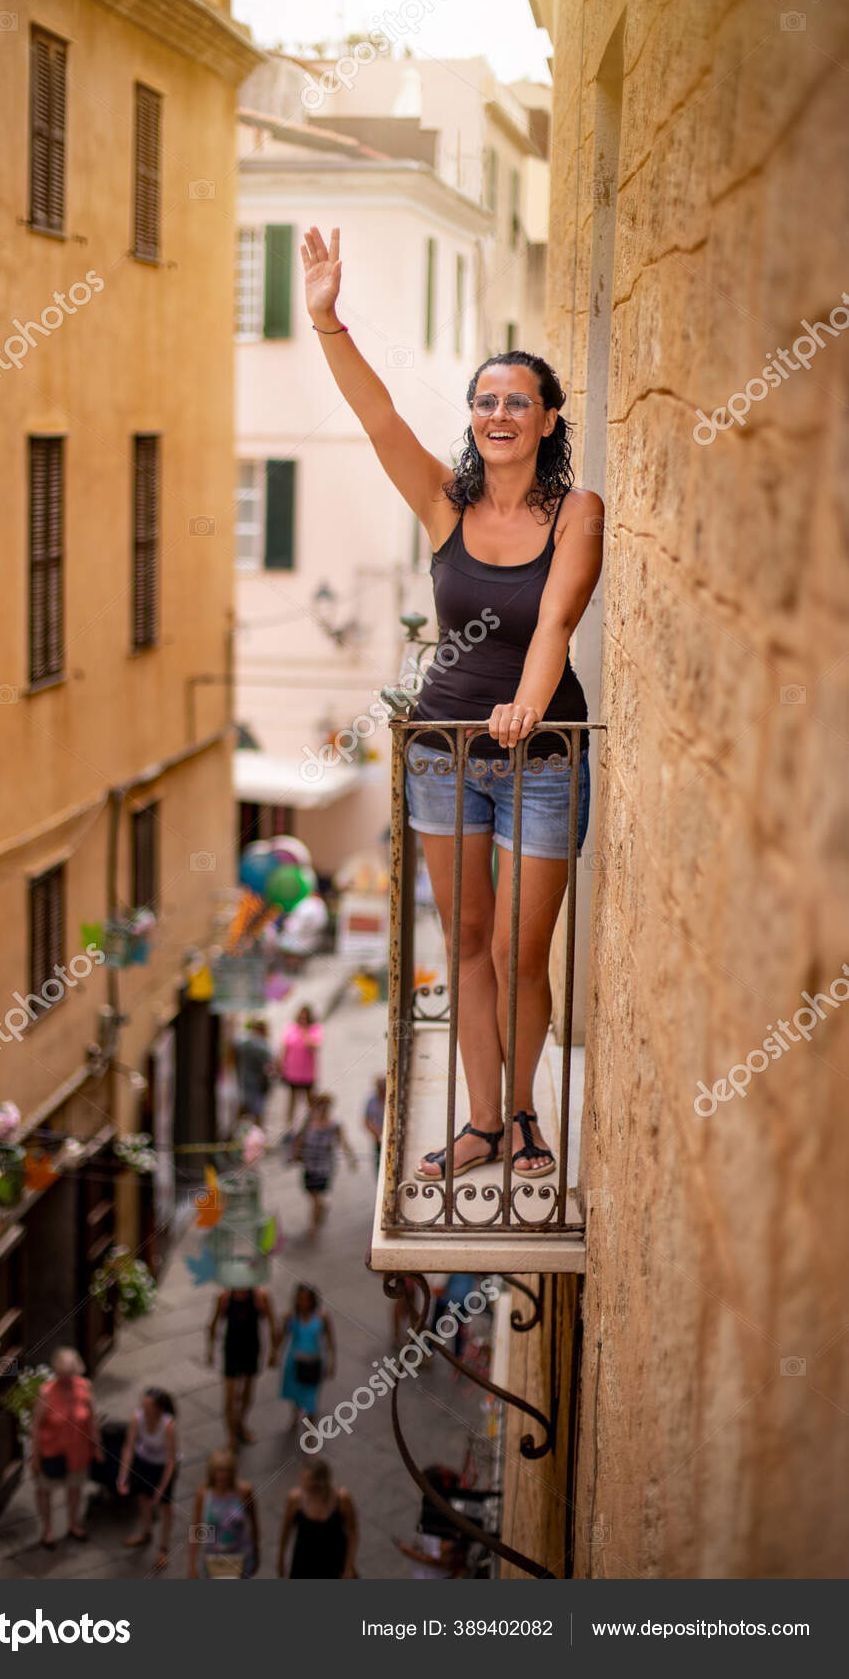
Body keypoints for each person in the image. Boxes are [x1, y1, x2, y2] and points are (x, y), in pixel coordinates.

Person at [302, 225, 603, 1187]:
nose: (498, 414)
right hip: (440, 751)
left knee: (523, 952)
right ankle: (481, 1124)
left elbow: (555, 621)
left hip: (541, 755)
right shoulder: (443, 504)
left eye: (518, 401)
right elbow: (379, 418)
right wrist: (325, 320)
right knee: (464, 943)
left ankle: (523, 1117)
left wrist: (522, 709)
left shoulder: (578, 513)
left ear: (548, 419)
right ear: (471, 417)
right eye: (484, 401)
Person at [30, 1346, 103, 1548]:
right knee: (45, 1490)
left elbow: (92, 1419)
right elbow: (36, 1425)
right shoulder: (46, 1393)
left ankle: (73, 1524)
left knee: (75, 1488)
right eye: (62, 1375)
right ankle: (47, 1530)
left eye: (69, 1375)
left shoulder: (84, 1387)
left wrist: (96, 1446)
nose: (66, 1380)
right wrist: (34, 1456)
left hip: (78, 1452)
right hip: (52, 1452)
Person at [118, 1386, 178, 1571]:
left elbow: (171, 1461)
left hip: (162, 1466)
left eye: (149, 1407)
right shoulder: (137, 1419)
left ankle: (163, 1548)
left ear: (159, 1409)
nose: (144, 1410)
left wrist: (161, 1488)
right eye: (143, 1406)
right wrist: (123, 1476)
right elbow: (128, 1447)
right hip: (144, 1461)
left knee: (165, 1506)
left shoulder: (168, 1426)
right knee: (143, 1497)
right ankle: (146, 1532)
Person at [207, 1285, 275, 1447]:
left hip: (251, 1350)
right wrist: (210, 1350)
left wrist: (274, 1351)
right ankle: (231, 1435)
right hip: (232, 1351)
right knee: (230, 1397)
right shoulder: (224, 1297)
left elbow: (272, 1323)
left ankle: (240, 1423)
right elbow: (213, 1324)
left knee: (247, 1394)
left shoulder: (260, 1296)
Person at [278, 1460, 358, 1578]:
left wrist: (349, 1566)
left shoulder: (342, 1499)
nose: (302, 1482)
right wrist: (280, 1559)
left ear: (319, 1482)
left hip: (335, 1559)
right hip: (304, 1560)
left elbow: (353, 1531)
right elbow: (286, 1530)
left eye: (306, 1479)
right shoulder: (295, 1499)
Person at [188, 1449, 259, 1579]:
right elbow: (197, 1530)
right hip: (214, 1558)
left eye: (227, 1471)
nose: (223, 1475)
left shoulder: (244, 1491)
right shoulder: (203, 1495)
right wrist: (192, 1565)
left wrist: (256, 1553)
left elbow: (254, 1525)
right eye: (219, 1471)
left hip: (240, 1555)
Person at [292, 1092, 356, 1233]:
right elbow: (299, 1138)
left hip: (324, 1166)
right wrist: (295, 1154)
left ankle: (313, 1226)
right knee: (311, 1193)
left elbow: (344, 1142)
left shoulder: (335, 1124)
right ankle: (321, 1208)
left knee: (317, 1196)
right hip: (309, 1163)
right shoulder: (308, 1120)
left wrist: (351, 1158)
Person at [273, 1284, 335, 1426]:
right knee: (296, 1393)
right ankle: (295, 1416)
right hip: (294, 1361)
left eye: (306, 1299)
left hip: (313, 1362)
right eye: (300, 1299)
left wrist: (332, 1362)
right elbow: (281, 1337)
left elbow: (330, 1342)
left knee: (311, 1398)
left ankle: (310, 1429)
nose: (303, 1303)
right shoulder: (291, 1316)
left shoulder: (322, 1317)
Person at [276, 1005, 323, 1132]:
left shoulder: (314, 1029)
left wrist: (305, 1032)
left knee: (310, 1099)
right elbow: (285, 1046)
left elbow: (314, 1046)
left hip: (307, 1072)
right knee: (292, 1098)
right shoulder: (291, 1028)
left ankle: (314, 1124)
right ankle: (289, 1125)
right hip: (292, 1071)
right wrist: (281, 1063)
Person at [233, 1017, 274, 1124]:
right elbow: (269, 1066)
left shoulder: (243, 1041)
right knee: (258, 1111)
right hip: (258, 1082)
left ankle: (234, 1132)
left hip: (244, 1080)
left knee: (244, 1107)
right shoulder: (261, 1045)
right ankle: (258, 1135)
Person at [364, 1074, 386, 1171]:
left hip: (390, 1134)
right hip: (378, 1137)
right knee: (379, 1163)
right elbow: (367, 1120)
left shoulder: (392, 1098)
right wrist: (377, 1133)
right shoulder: (371, 1100)